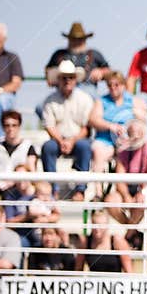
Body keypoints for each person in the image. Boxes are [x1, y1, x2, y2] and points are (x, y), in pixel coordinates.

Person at [41, 59, 93, 199]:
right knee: (48, 148)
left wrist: (71, 140)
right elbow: (49, 126)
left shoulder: (85, 99)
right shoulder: (50, 100)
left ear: (76, 79)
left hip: (77, 139)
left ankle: (80, 190)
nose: (67, 81)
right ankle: (53, 189)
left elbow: (86, 128)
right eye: (64, 78)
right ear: (58, 79)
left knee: (84, 146)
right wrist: (61, 141)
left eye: (71, 77)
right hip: (58, 139)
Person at [104, 119, 147, 241]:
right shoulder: (123, 151)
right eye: (132, 132)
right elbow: (119, 176)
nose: (135, 136)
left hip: (146, 187)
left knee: (141, 201)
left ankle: (127, 236)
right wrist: (126, 195)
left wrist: (141, 191)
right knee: (110, 201)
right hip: (127, 189)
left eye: (138, 132)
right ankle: (133, 232)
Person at [89, 70, 146, 175]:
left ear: (123, 85)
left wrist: (128, 130)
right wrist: (111, 126)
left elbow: (142, 120)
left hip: (127, 142)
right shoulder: (101, 101)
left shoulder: (132, 101)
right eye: (110, 85)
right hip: (105, 141)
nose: (113, 87)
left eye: (116, 84)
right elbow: (93, 120)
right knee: (99, 152)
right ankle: (98, 189)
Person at [44, 22, 110, 98]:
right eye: (73, 39)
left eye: (80, 39)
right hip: (63, 91)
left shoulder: (94, 54)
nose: (76, 42)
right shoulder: (59, 54)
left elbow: (110, 72)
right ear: (69, 39)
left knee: (94, 100)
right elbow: (48, 71)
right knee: (40, 107)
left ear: (85, 39)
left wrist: (101, 72)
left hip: (87, 89)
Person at [0, 110, 38, 198]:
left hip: (20, 190)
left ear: (19, 126)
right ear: (3, 127)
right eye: (7, 125)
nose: (11, 129)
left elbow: (31, 172)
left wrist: (12, 182)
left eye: (14, 125)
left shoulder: (28, 146)